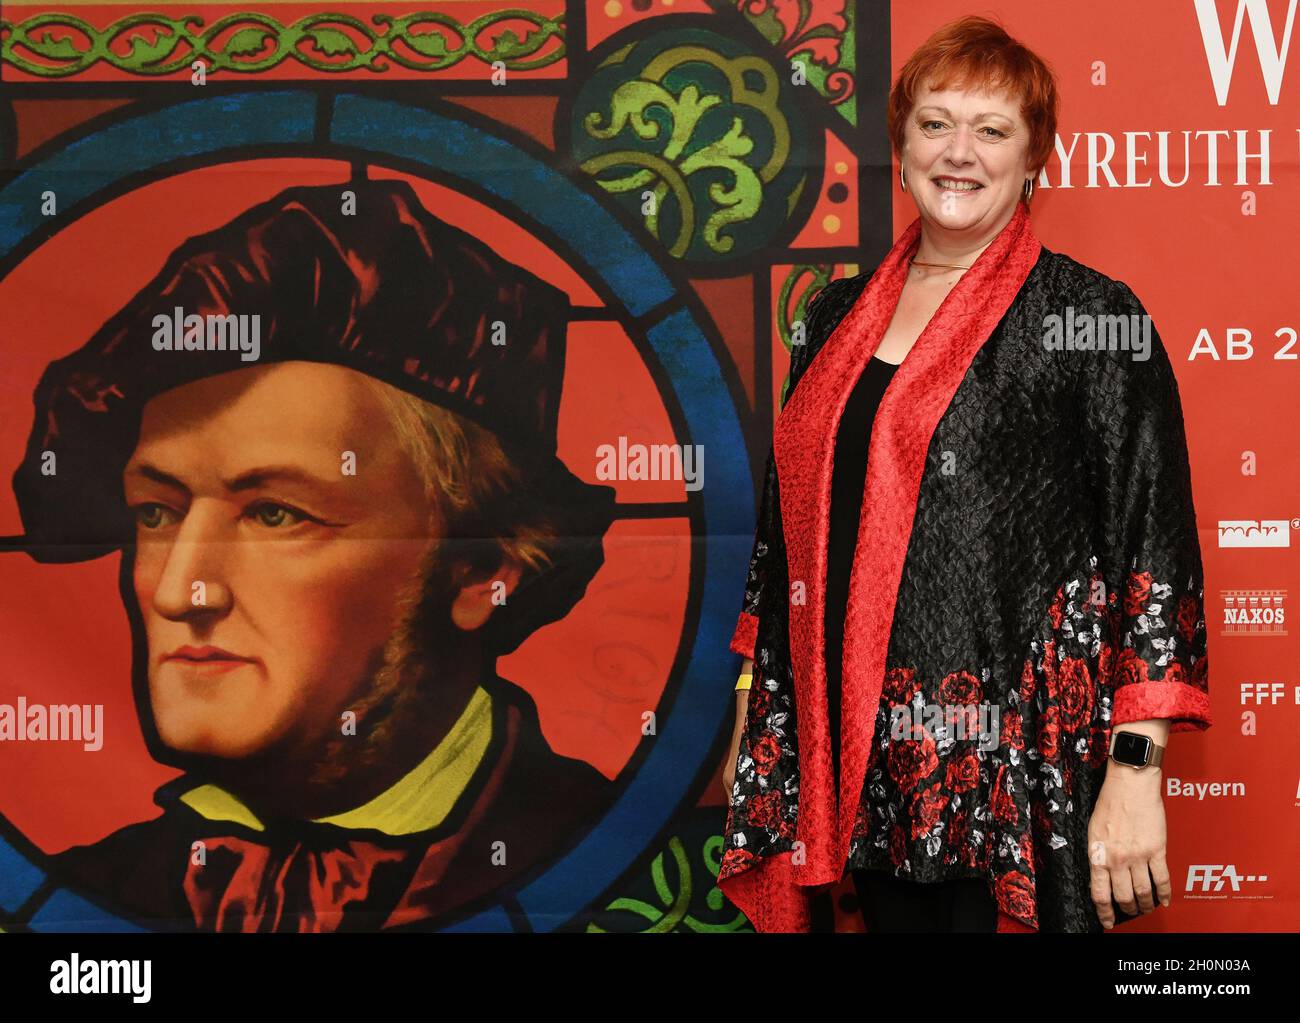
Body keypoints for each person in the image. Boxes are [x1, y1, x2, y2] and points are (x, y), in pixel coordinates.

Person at [5, 180, 620, 931]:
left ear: (484, 567)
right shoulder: (81, 896)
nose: (179, 591)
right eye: (157, 512)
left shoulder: (616, 861)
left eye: (274, 513)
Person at [719, 15, 1211, 934]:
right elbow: (783, 533)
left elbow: (1155, 544)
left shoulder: (1090, 319)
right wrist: (755, 713)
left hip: (1009, 772)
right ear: (899, 145)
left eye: (992, 130)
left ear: (1035, 159)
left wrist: (1137, 775)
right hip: (843, 754)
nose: (959, 152)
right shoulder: (833, 318)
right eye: (935, 123)